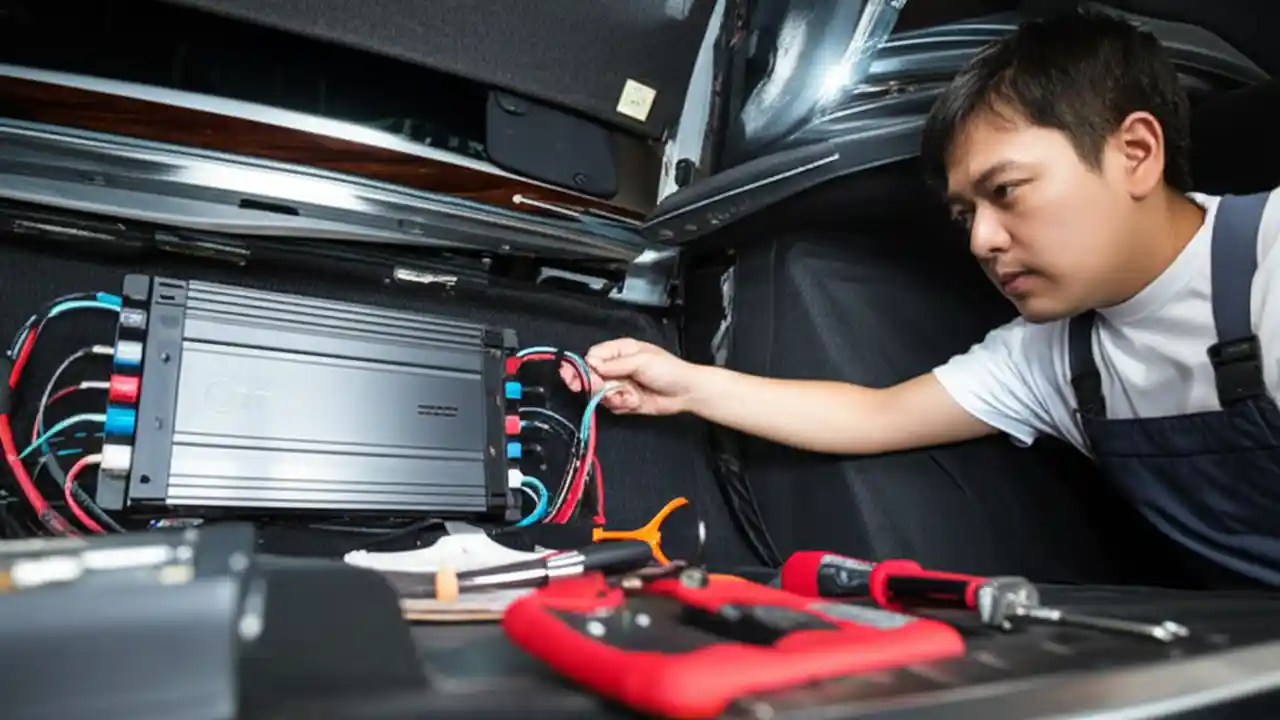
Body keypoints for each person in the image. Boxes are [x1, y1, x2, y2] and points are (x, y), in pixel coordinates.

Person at [565, 11, 1280, 586]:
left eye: (1005, 192)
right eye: (967, 215)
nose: (982, 242)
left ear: (1136, 153)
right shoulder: (1058, 358)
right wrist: (688, 385)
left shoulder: (1269, 263)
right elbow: (875, 414)